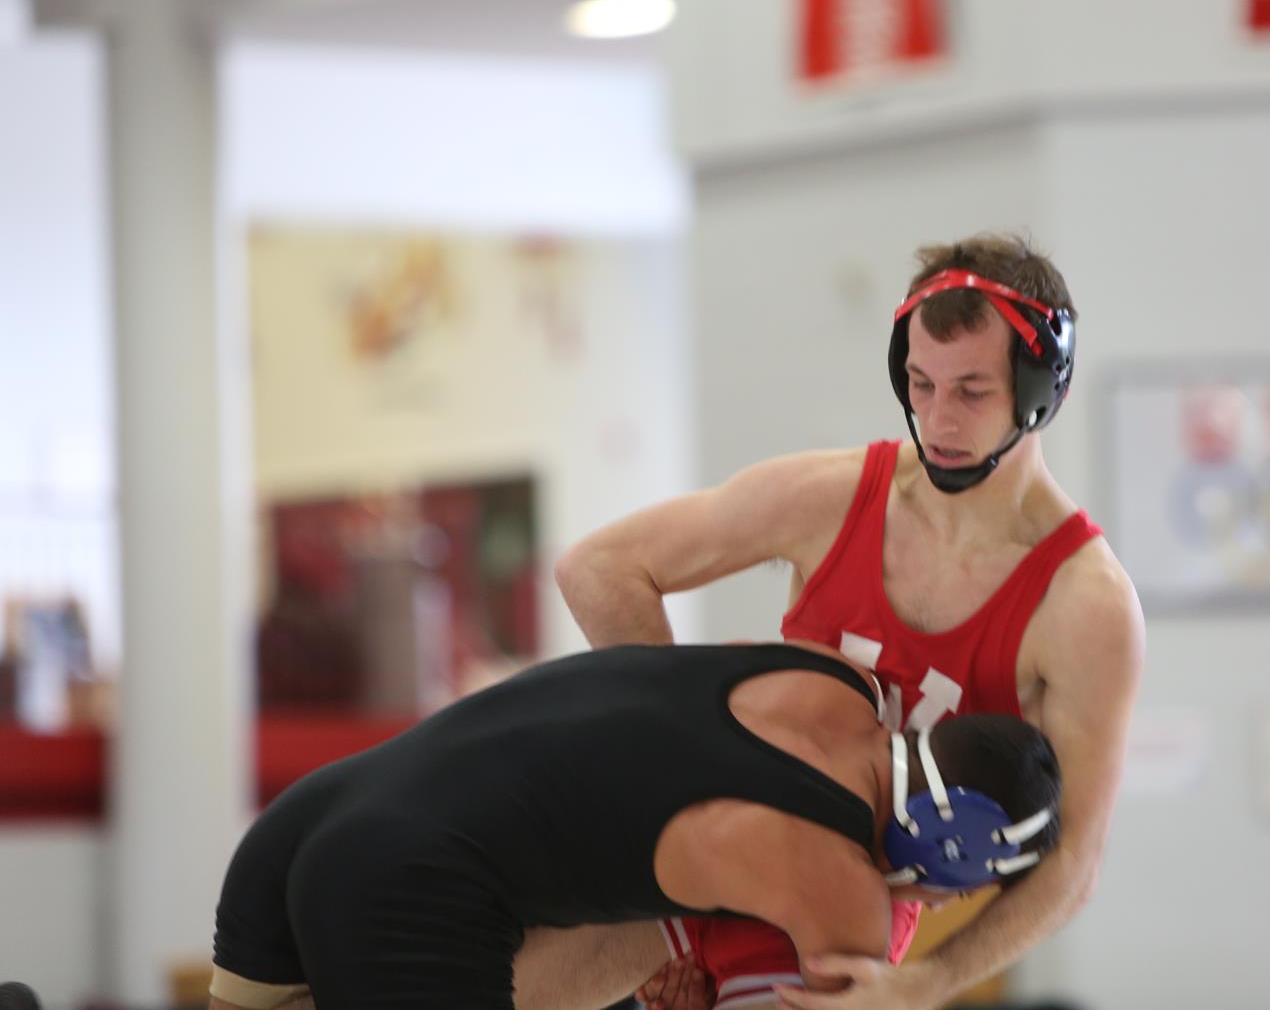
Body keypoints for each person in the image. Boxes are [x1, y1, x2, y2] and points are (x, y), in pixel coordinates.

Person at [553, 233, 1146, 1010]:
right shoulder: (828, 496)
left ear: (1039, 391)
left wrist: (927, 983)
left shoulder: (1083, 603)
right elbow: (598, 568)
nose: (937, 419)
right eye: (920, 383)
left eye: (971, 390)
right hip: (696, 850)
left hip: (832, 925)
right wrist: (675, 763)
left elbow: (1073, 862)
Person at [207, 639, 1061, 1010]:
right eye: (974, 886)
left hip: (311, 815)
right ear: (958, 846)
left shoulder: (829, 678)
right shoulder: (841, 892)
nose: (953, 903)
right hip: (409, 884)